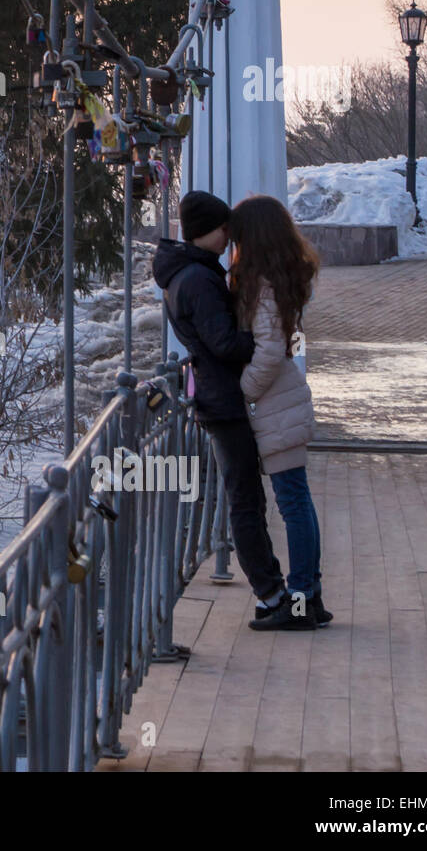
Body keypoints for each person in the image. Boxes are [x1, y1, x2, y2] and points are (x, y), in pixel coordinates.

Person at [153, 192, 300, 631]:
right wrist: (267, 343)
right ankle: (271, 595)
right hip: (222, 402)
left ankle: (270, 592)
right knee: (244, 500)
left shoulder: (188, 273)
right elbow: (222, 342)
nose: (229, 239)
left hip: (216, 399)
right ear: (205, 231)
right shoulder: (197, 279)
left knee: (246, 498)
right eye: (224, 231)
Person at [229, 194, 332, 629]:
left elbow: (270, 351)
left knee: (292, 504)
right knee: (298, 503)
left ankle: (301, 601)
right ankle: (311, 597)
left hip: (274, 405)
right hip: (284, 402)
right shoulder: (278, 277)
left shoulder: (264, 284)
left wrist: (244, 390)